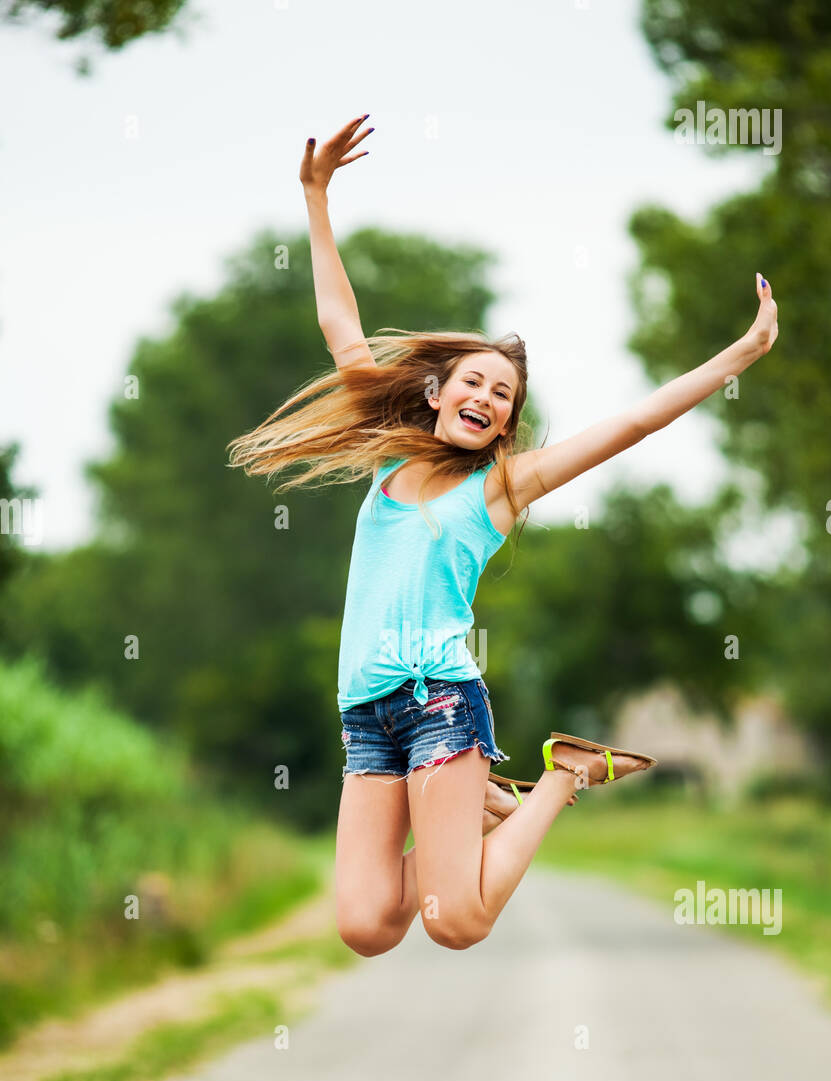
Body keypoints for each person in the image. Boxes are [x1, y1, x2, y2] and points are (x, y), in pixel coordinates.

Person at [227, 114, 779, 959]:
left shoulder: (503, 486)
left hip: (441, 700)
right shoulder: (385, 459)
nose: (488, 399)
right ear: (439, 391)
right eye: (475, 383)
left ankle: (563, 777)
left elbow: (630, 424)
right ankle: (486, 797)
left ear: (504, 427)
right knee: (365, 925)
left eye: (505, 399)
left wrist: (736, 357)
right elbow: (342, 325)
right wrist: (316, 195)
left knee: (458, 920)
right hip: (365, 715)